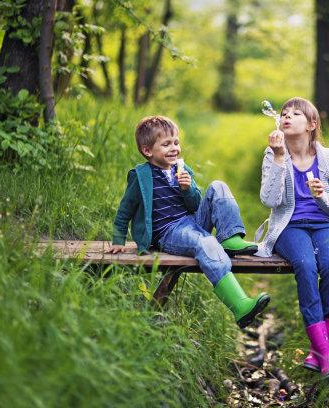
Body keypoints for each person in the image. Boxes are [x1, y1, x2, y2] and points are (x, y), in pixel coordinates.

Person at [108, 115, 270, 329]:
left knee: (218, 186)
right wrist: (118, 239)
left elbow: (195, 205)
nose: (174, 148)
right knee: (207, 244)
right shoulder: (141, 177)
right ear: (148, 151)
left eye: (176, 142)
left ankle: (230, 238)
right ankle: (240, 306)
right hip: (168, 232)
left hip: (191, 221)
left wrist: (187, 189)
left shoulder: (182, 170)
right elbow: (125, 209)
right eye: (166, 144)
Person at [255, 97, 329, 378]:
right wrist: (279, 159)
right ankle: (327, 356)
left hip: (326, 226)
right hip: (289, 227)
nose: (287, 116)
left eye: (296, 113)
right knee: (307, 267)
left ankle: (317, 350)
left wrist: (323, 197)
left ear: (312, 124)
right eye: (284, 113)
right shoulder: (272, 154)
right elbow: (268, 199)